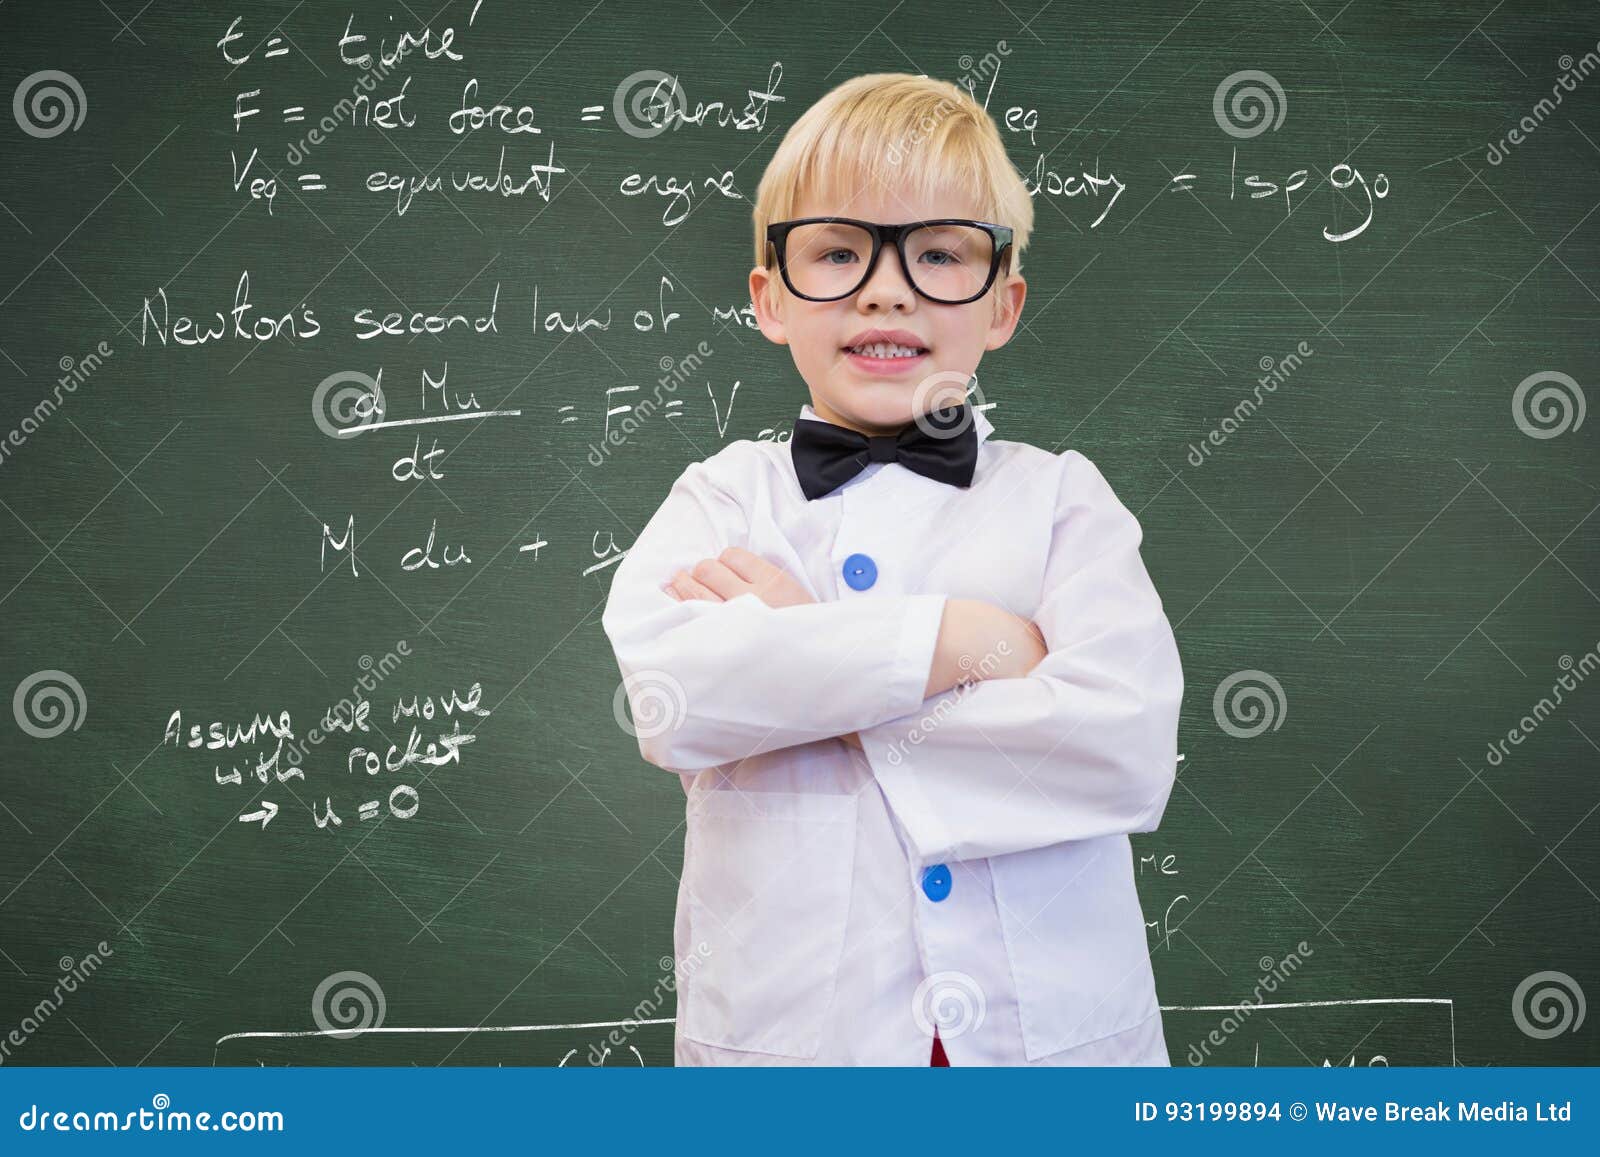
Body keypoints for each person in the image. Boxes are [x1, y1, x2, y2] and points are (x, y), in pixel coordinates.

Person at [601, 72, 1184, 1066]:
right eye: (836, 251)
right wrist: (967, 640)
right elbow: (671, 696)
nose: (885, 288)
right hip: (793, 1049)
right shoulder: (722, 496)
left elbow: (1122, 746)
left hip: (1053, 1047)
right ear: (769, 298)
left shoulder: (1063, 500)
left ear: (1001, 304)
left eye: (938, 254)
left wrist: (800, 656)